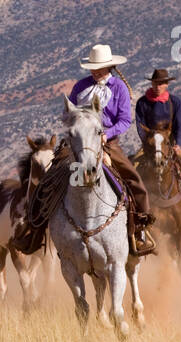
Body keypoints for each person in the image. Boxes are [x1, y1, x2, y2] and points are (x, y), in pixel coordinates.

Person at [10, 44, 155, 256]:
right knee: (49, 180)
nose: (95, 71)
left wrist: (107, 133)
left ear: (109, 67)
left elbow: (124, 120)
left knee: (133, 180)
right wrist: (72, 123)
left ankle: (139, 229)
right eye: (93, 67)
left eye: (100, 67)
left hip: (107, 142)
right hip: (78, 143)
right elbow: (66, 113)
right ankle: (35, 230)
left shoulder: (119, 88)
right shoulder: (81, 86)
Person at [133, 68, 181, 228]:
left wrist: (178, 144)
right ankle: (132, 209)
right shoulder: (142, 102)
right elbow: (140, 126)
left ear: (166, 84)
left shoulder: (174, 103)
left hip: (169, 145)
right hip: (149, 145)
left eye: (161, 83)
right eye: (155, 83)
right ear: (152, 83)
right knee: (132, 169)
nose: (158, 86)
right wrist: (147, 143)